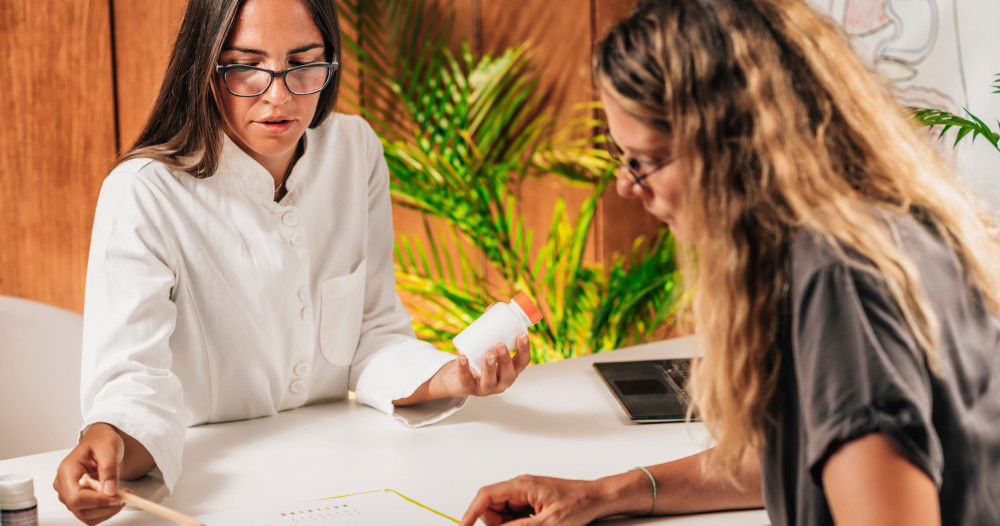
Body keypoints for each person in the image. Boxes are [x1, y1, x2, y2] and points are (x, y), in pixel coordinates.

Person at [461, 0, 1000, 524]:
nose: (626, 184)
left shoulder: (839, 279)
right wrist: (605, 493)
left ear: (733, 146)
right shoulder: (888, 223)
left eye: (644, 161)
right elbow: (804, 452)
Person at [52, 0, 530, 524]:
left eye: (304, 64)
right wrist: (107, 441)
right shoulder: (144, 193)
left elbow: (375, 333)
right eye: (246, 67)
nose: (278, 96)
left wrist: (453, 378)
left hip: (346, 472)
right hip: (219, 489)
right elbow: (134, 385)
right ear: (204, 67)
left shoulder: (354, 150)